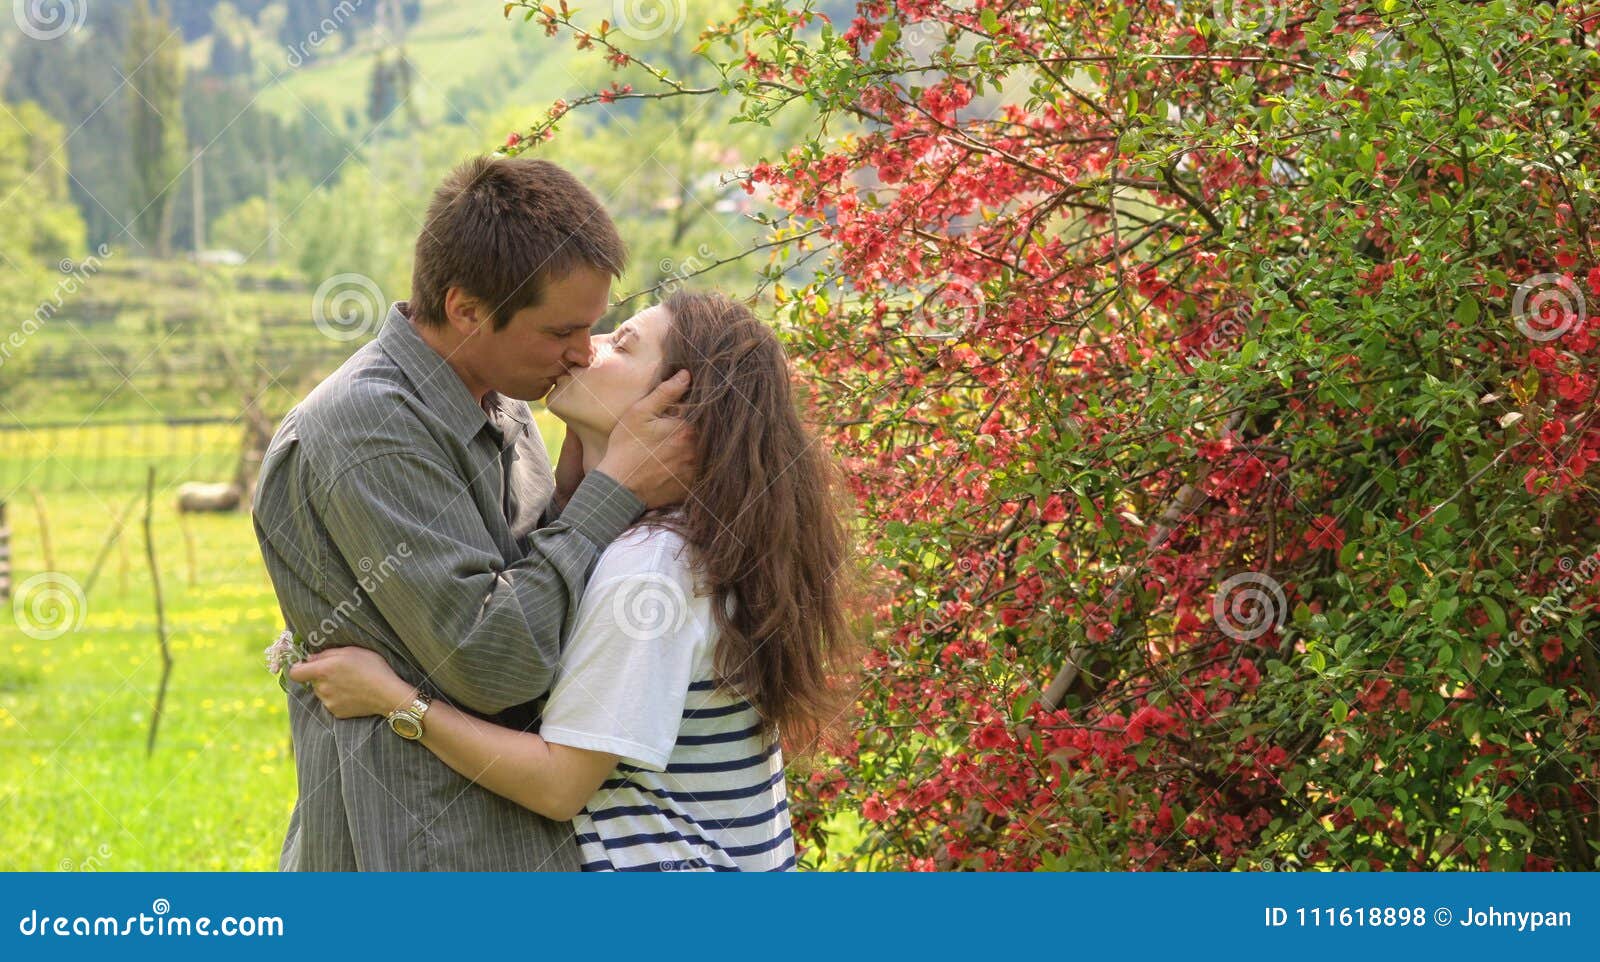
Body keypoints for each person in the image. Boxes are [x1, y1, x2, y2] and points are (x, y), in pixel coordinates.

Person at [289, 291, 854, 871]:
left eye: (621, 343)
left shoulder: (650, 568)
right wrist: (579, 497)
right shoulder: (690, 537)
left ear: (676, 406)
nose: (586, 350)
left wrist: (393, 698)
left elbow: (559, 785)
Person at [253, 155, 696, 871]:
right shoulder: (370, 429)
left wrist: (576, 490)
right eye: (560, 333)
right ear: (465, 309)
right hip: (418, 847)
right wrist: (612, 491)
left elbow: (530, 596)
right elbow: (497, 663)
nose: (582, 353)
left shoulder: (502, 402)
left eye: (594, 328)